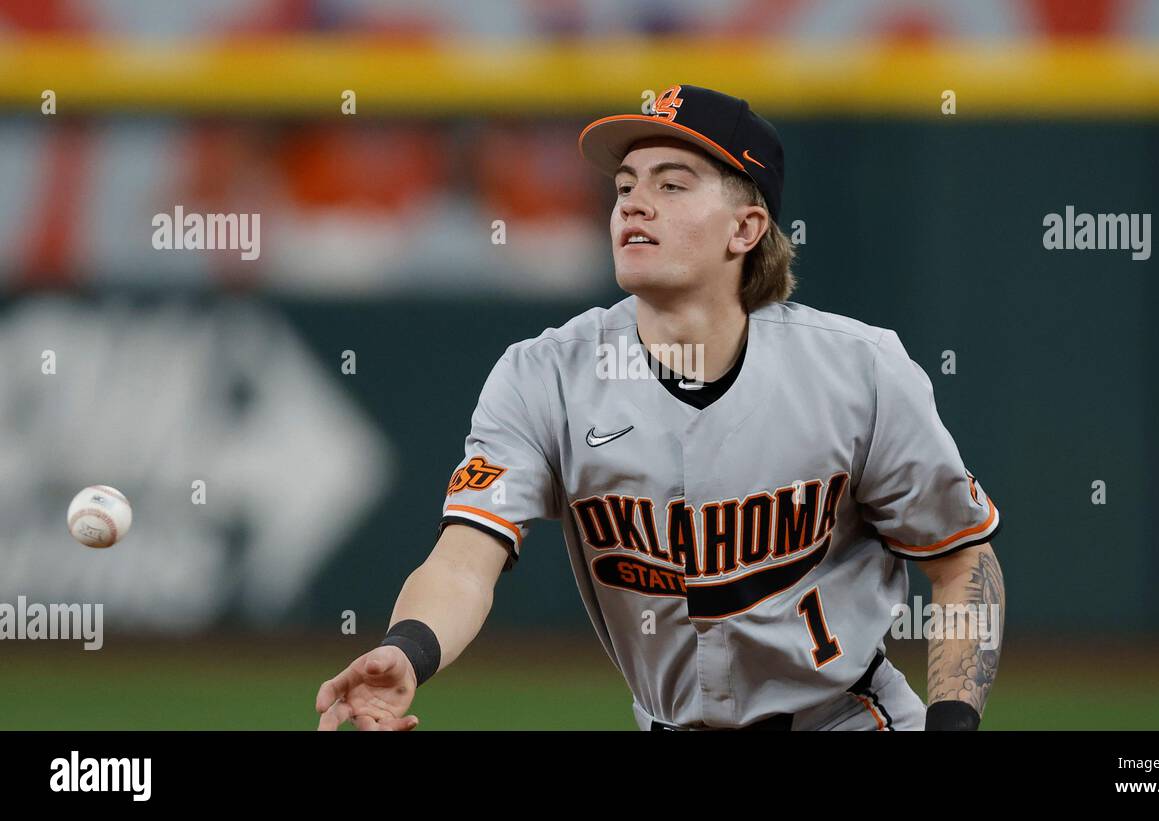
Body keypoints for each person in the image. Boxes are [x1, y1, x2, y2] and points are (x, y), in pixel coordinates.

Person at [316, 84, 1005, 731]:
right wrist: (410, 648)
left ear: (747, 227)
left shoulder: (859, 370)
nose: (634, 204)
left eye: (671, 184)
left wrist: (950, 724)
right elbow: (465, 558)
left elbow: (961, 559)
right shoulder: (545, 375)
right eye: (624, 186)